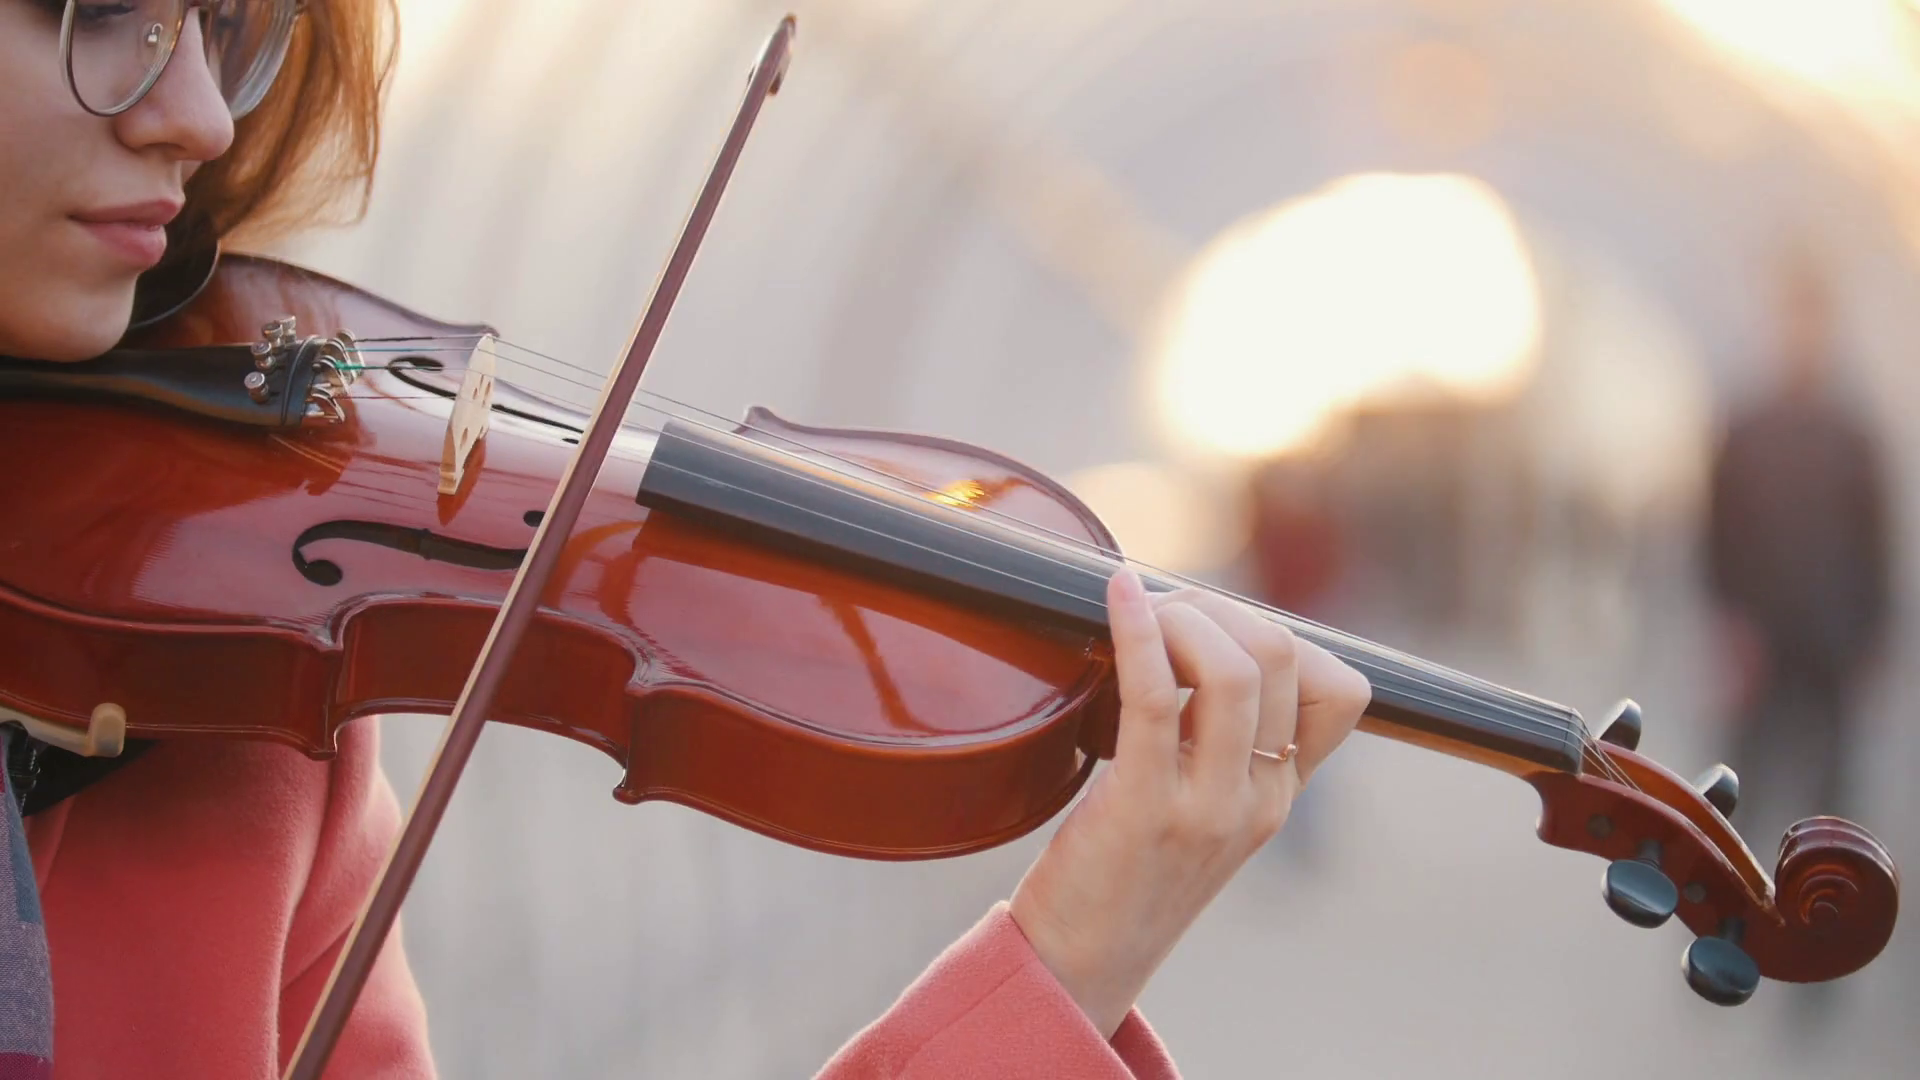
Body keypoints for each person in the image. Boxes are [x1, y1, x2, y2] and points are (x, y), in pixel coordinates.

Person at [0, 3, 1373, 1077]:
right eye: (104, 8)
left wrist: (1073, 959)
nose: (197, 117)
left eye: (227, 23)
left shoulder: (226, 694)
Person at [1705, 254, 1891, 842]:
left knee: (1832, 803)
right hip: (1763, 642)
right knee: (1745, 790)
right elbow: (1716, 536)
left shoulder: (1854, 434)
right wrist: (1732, 625)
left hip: (1831, 643)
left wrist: (1873, 635)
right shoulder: (1748, 426)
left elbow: (1875, 545)